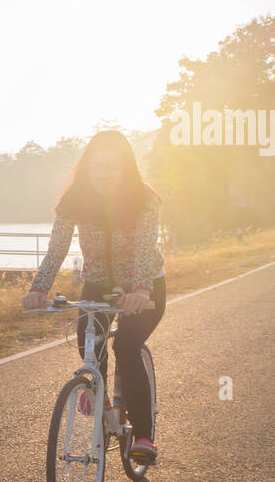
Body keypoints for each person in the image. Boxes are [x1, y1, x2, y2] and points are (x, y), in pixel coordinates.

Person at [21, 130, 166, 464]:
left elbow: (145, 249)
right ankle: (97, 396)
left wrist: (140, 289)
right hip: (98, 283)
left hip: (145, 287)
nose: (104, 174)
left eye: (111, 167)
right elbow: (56, 250)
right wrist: (38, 289)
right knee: (90, 339)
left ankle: (143, 436)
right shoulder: (75, 200)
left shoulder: (144, 199)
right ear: (87, 168)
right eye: (97, 167)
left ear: (124, 167)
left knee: (125, 349)